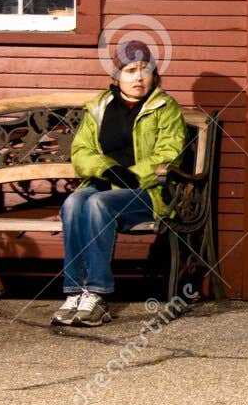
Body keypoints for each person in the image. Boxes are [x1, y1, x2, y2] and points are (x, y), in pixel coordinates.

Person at [52, 43, 186, 327]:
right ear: (116, 77)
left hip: (149, 192)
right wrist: (109, 170)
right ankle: (76, 292)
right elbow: (81, 151)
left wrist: (133, 175)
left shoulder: (166, 108)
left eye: (144, 70)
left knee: (99, 203)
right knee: (74, 202)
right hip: (105, 184)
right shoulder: (99, 107)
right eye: (130, 71)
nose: (138, 77)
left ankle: (98, 294)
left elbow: (169, 154)